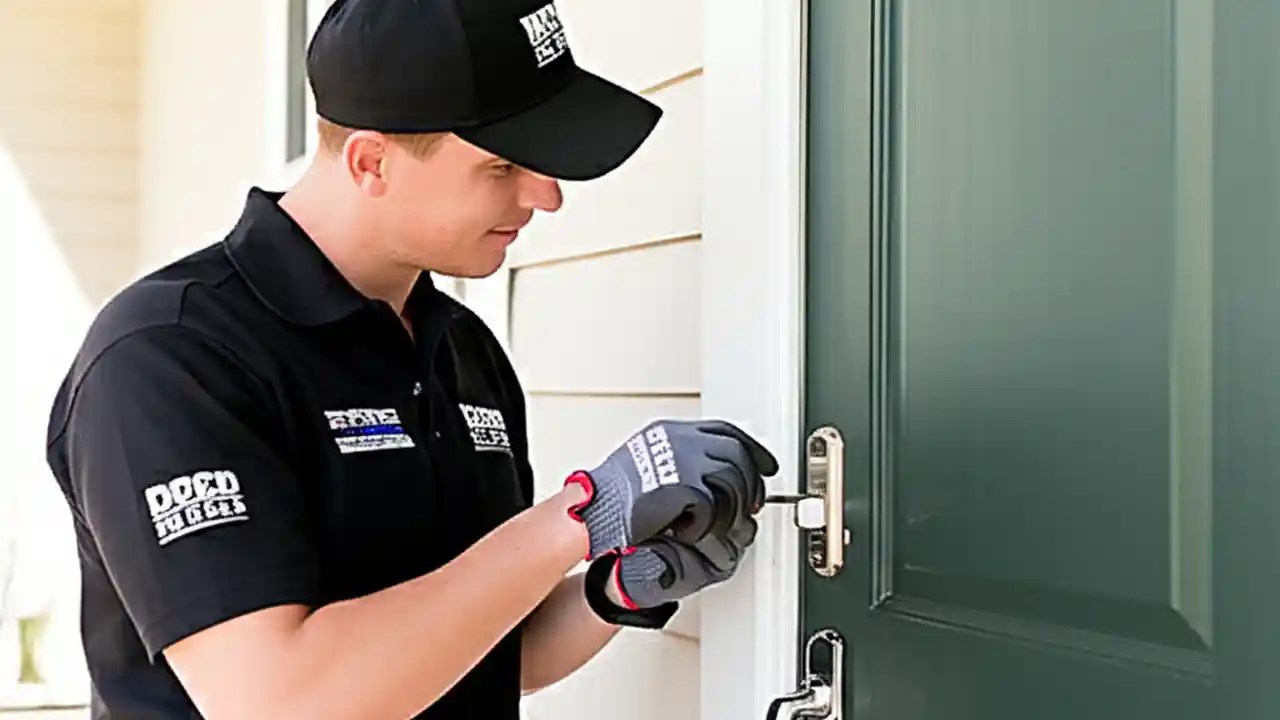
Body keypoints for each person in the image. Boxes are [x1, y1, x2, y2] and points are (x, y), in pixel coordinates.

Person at [42, 0, 778, 717]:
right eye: (502, 167)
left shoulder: (461, 348)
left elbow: (479, 652)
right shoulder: (167, 358)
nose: (547, 196)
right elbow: (278, 700)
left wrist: (614, 590)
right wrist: (581, 514)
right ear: (372, 161)